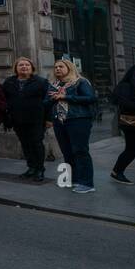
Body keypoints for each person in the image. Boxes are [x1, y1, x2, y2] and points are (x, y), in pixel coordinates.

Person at [45, 59, 98, 194]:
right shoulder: (53, 84)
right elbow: (45, 102)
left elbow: (90, 98)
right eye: (55, 67)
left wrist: (66, 97)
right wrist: (53, 98)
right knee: (67, 152)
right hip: (59, 121)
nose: (57, 69)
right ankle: (74, 179)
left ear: (69, 68)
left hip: (78, 120)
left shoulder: (80, 81)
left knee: (80, 151)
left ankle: (87, 183)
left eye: (61, 66)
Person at [2, 57, 50, 183]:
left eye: (27, 65)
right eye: (21, 65)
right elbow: (4, 101)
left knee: (37, 143)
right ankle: (31, 168)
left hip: (36, 119)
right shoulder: (9, 82)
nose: (24, 67)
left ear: (32, 68)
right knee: (25, 144)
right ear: (16, 69)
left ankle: (40, 169)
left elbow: (49, 101)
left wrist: (49, 119)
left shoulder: (41, 82)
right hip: (17, 119)